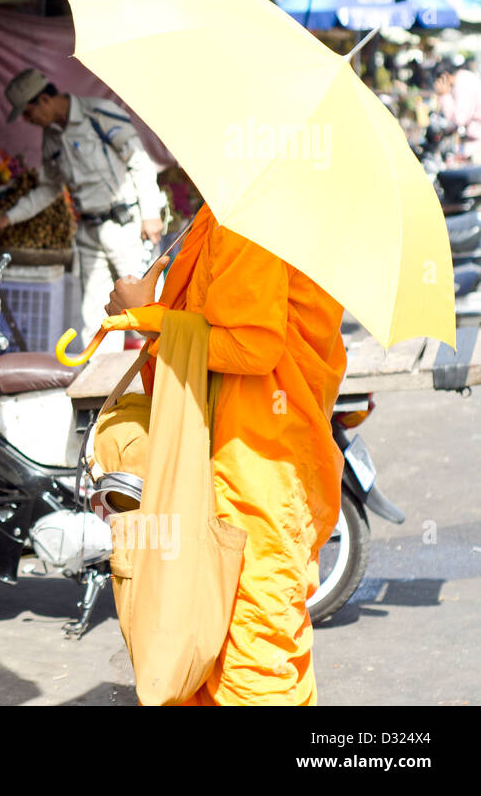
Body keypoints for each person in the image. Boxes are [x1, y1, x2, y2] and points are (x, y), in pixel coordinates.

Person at [101, 203, 347, 705]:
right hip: (236, 452)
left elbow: (253, 347)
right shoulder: (226, 208)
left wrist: (146, 318)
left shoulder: (254, 213)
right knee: (207, 632)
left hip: (254, 465)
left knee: (250, 649)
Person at [0, 68, 165, 351]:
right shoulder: (51, 136)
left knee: (147, 307)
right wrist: (8, 217)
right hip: (88, 231)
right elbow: (49, 188)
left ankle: (164, 376)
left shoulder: (98, 113)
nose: (29, 121)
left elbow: (138, 159)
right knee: (97, 313)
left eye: (28, 113)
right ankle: (101, 386)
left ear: (43, 101)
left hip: (126, 226)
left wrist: (150, 213)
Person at [432, 61, 481, 163]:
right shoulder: (464, 78)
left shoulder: (462, 83)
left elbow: (459, 119)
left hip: (476, 143)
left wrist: (444, 95)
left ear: (445, 76)